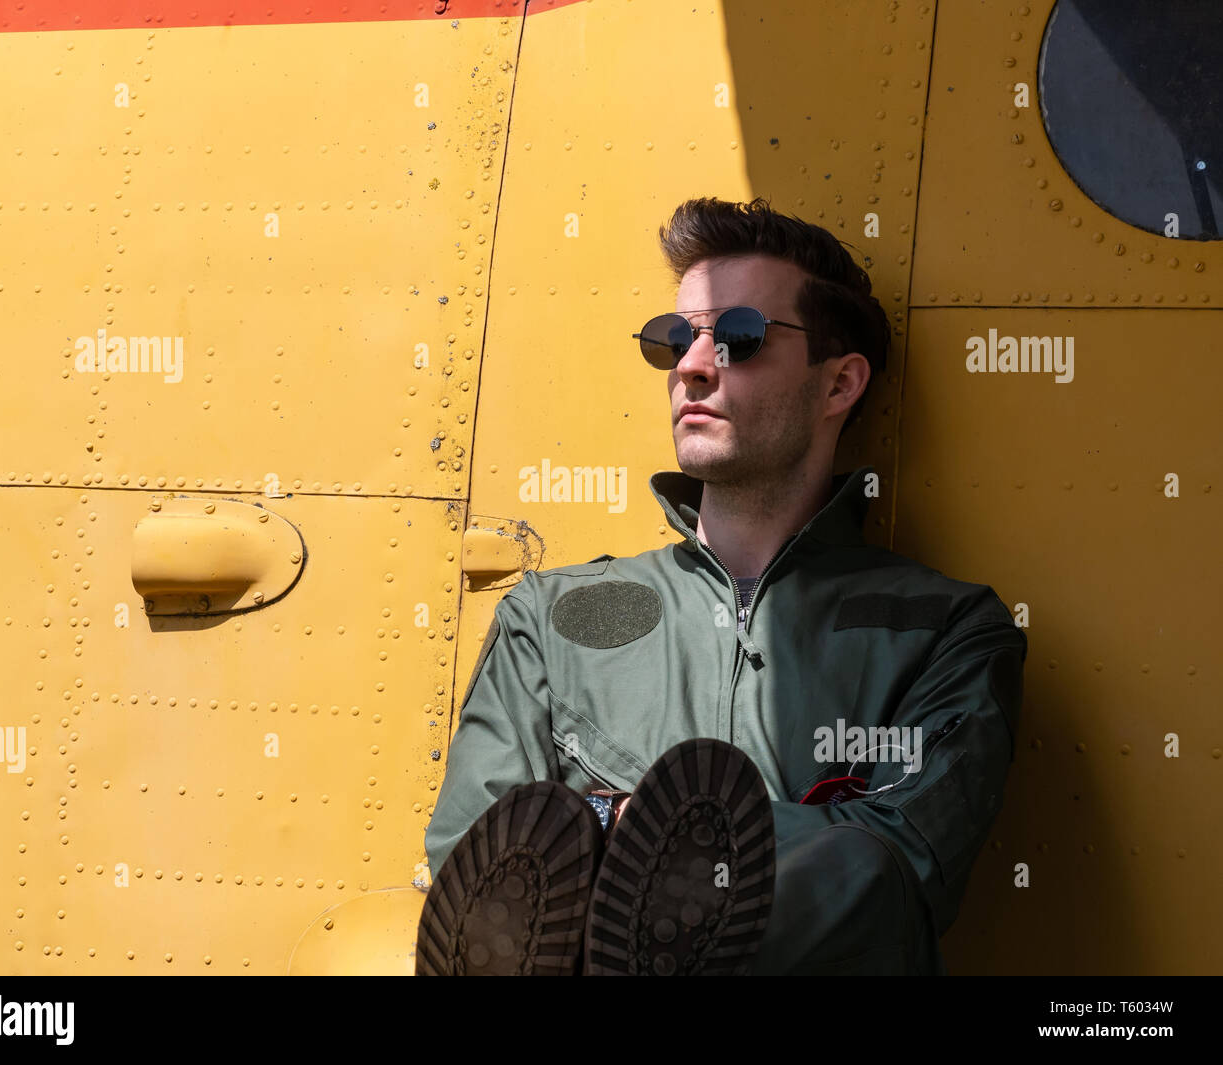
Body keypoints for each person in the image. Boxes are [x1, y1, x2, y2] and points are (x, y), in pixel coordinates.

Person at [417, 196, 1027, 975]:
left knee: (862, 875)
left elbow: (903, 864)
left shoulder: (945, 631)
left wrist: (675, 845)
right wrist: (633, 826)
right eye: (675, 340)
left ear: (840, 385)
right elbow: (476, 856)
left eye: (739, 337)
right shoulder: (554, 615)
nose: (692, 367)